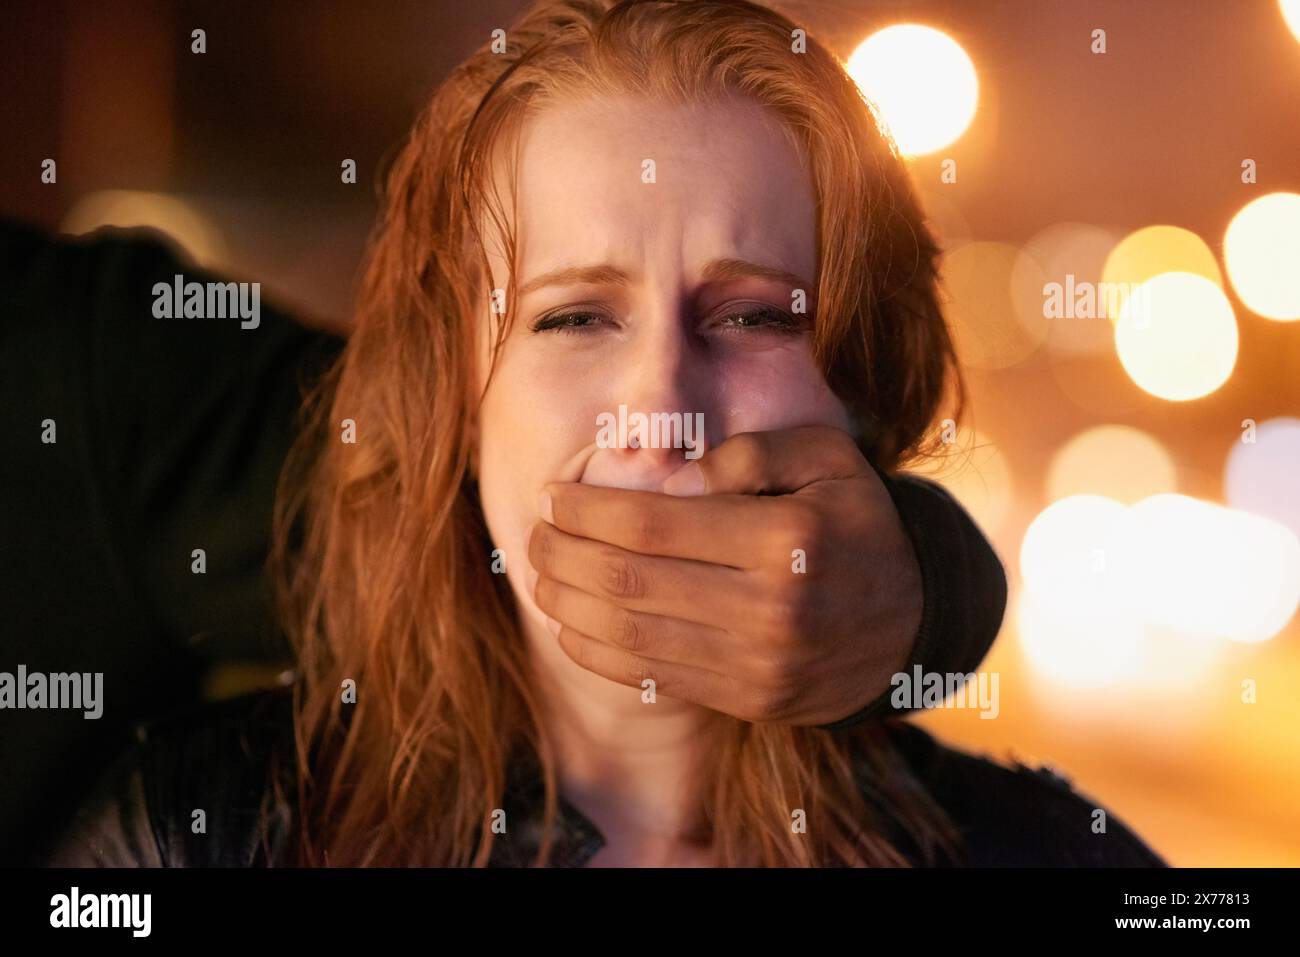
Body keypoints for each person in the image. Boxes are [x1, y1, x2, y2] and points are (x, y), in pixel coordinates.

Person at [38, 0, 1161, 866]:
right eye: (572, 315)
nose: (659, 403)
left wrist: (919, 594)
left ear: (862, 388)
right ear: (450, 398)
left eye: (754, 316)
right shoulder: (192, 838)